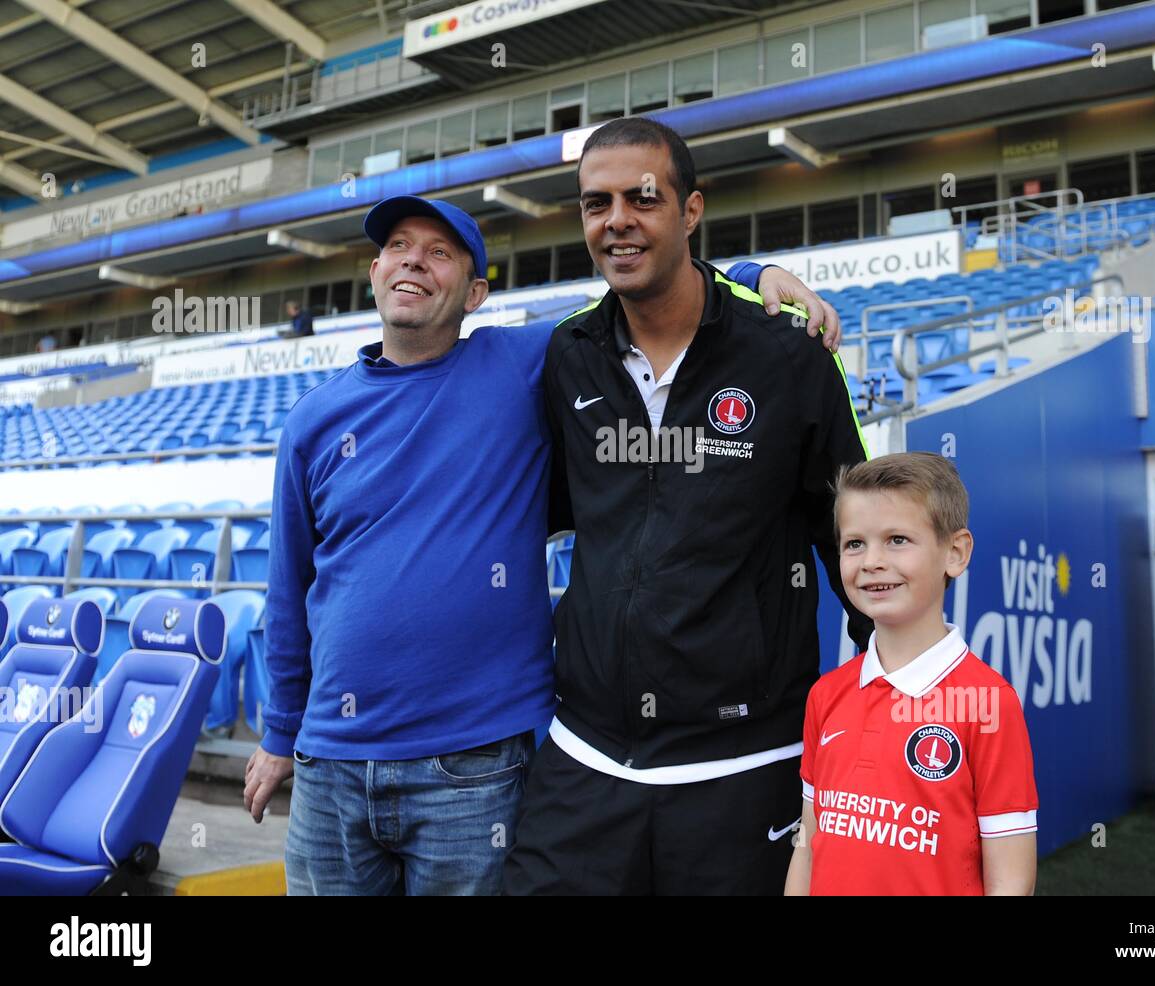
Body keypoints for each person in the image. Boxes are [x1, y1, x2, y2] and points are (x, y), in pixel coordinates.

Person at [243, 193, 844, 895]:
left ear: (475, 295)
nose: (414, 261)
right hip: (331, 765)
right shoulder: (313, 421)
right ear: (375, 271)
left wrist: (752, 272)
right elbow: (291, 587)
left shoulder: (526, 362)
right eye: (399, 248)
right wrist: (280, 733)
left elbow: (655, 286)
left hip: (473, 769)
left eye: (439, 253)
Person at [504, 118, 874, 895]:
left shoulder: (787, 355)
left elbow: (853, 533)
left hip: (742, 764)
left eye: (643, 198)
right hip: (586, 758)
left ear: (691, 209)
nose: (616, 221)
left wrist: (887, 694)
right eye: (594, 204)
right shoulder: (567, 354)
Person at [785, 452, 1038, 896]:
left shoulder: (988, 702)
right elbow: (807, 844)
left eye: (897, 539)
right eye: (854, 543)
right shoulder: (826, 695)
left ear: (955, 553)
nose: (872, 561)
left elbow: (1011, 877)